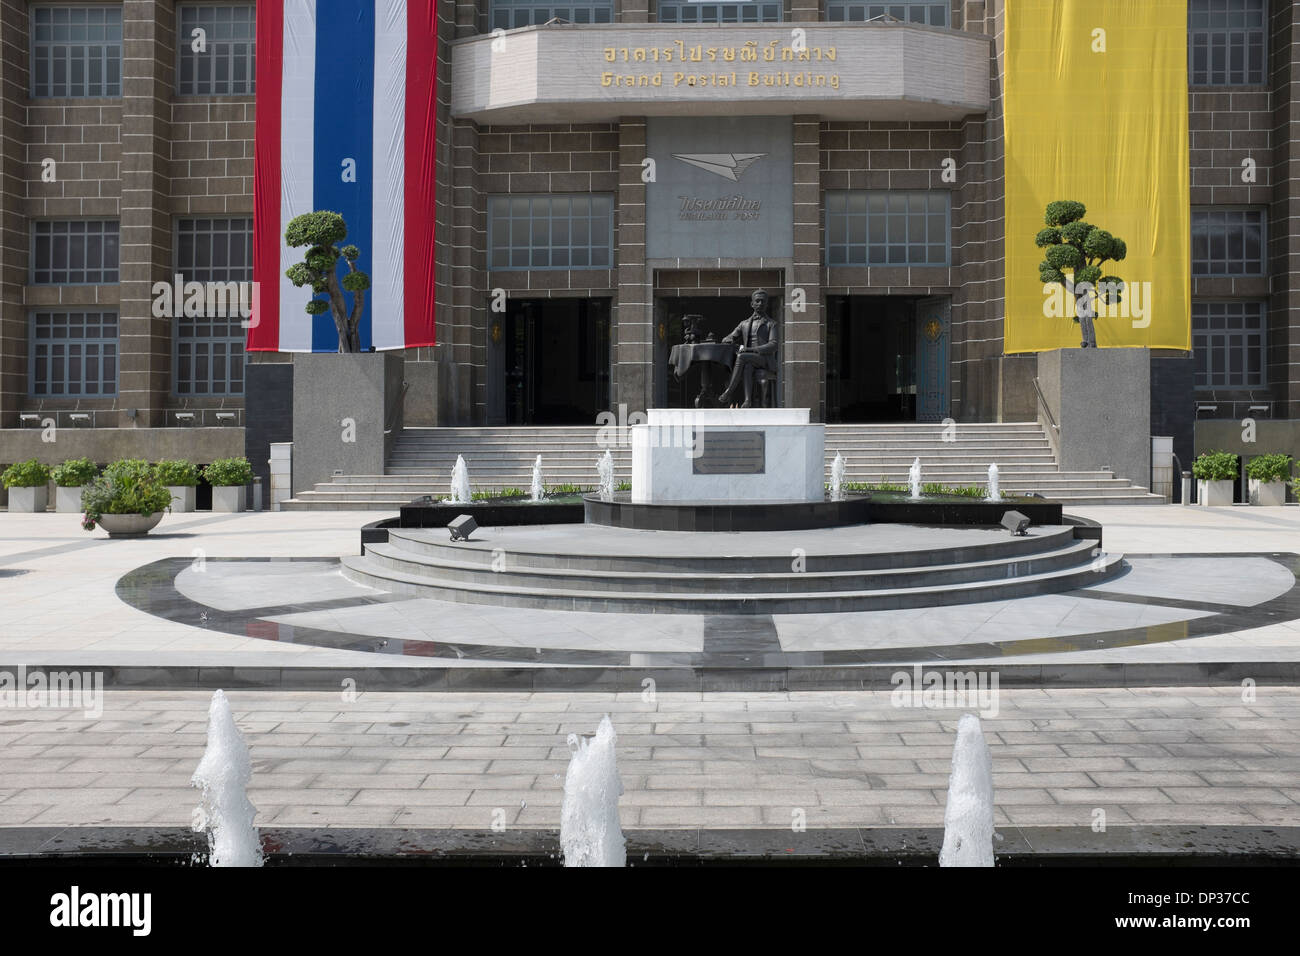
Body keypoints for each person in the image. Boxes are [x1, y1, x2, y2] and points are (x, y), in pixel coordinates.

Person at [717, 290, 778, 408]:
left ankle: (729, 391)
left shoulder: (772, 324)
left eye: (763, 301)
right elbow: (731, 336)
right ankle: (747, 401)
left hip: (765, 360)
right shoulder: (744, 324)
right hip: (750, 360)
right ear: (752, 304)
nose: (760, 303)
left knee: (742, 356)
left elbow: (773, 345)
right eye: (757, 301)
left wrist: (751, 350)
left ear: (767, 304)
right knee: (747, 365)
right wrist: (727, 339)